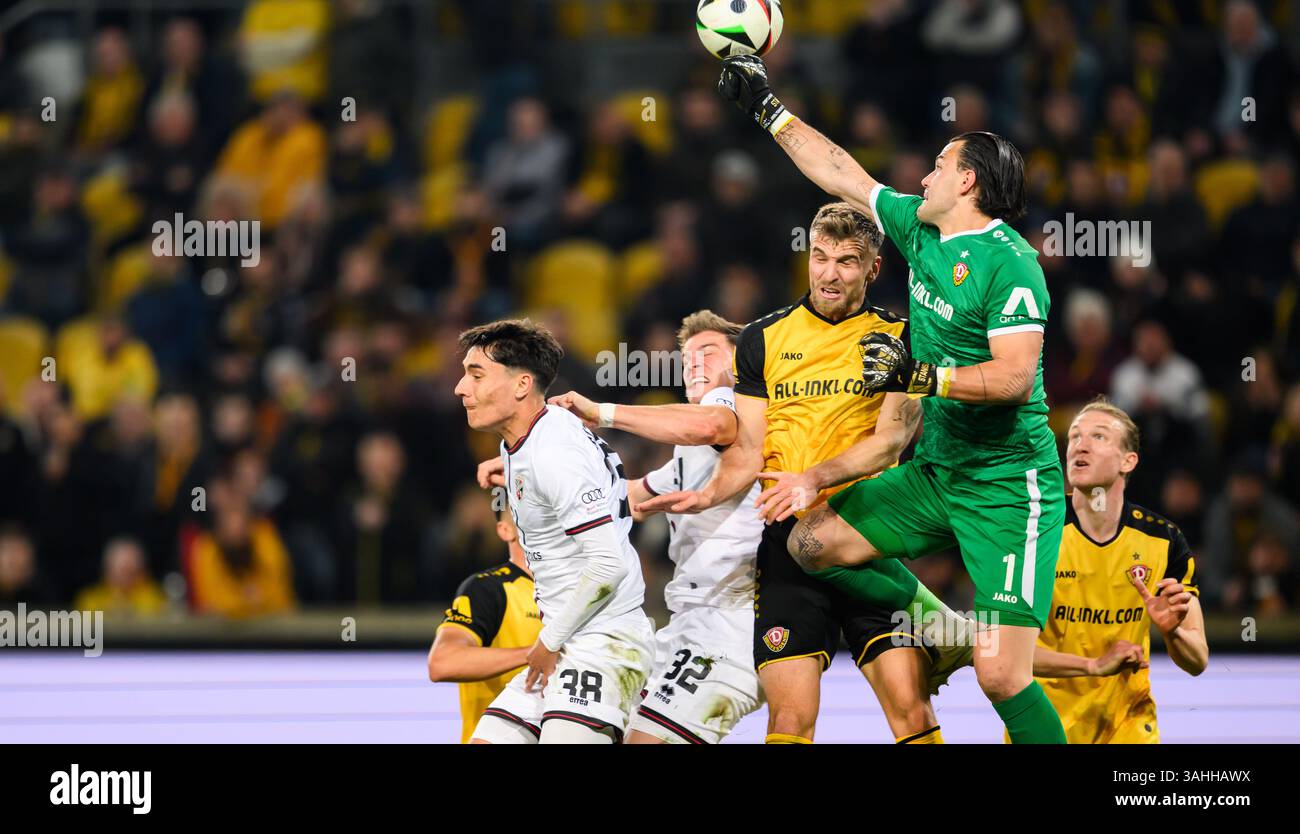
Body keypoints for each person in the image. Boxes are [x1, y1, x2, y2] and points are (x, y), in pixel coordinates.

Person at [717, 54, 1067, 742]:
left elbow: (1016, 379)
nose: (924, 176)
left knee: (1001, 676)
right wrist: (768, 108)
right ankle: (945, 628)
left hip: (1007, 486)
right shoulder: (919, 229)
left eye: (939, 166)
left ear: (967, 181)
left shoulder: (1011, 263)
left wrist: (919, 377)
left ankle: (977, 645)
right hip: (939, 471)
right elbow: (841, 171)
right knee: (810, 541)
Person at [636, 208, 968, 745]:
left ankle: (960, 632)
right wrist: (704, 495)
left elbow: (890, 444)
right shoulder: (764, 338)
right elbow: (745, 453)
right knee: (789, 722)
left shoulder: (901, 337)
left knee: (910, 711)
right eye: (820, 258)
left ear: (874, 268)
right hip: (787, 549)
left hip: (862, 539)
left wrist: (812, 478)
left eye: (847, 262)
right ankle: (955, 628)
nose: (830, 273)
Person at [454, 319, 655, 744]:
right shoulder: (529, 438)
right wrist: (506, 470)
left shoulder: (553, 452)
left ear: (522, 384)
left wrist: (548, 641)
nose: (460, 388)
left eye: (475, 375)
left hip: (604, 643)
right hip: (569, 637)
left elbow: (607, 565)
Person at [1034, 398, 1208, 742]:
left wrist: (1171, 632)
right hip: (1045, 724)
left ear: (1129, 460)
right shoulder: (1034, 533)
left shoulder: (1164, 540)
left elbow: (1197, 660)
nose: (1080, 445)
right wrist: (1092, 666)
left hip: (1128, 723)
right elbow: (1001, 656)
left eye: (1098, 437)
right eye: (1074, 436)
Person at [428, 511, 542, 744]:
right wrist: (536, 653)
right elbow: (442, 662)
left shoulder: (584, 592)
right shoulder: (489, 589)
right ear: (505, 530)